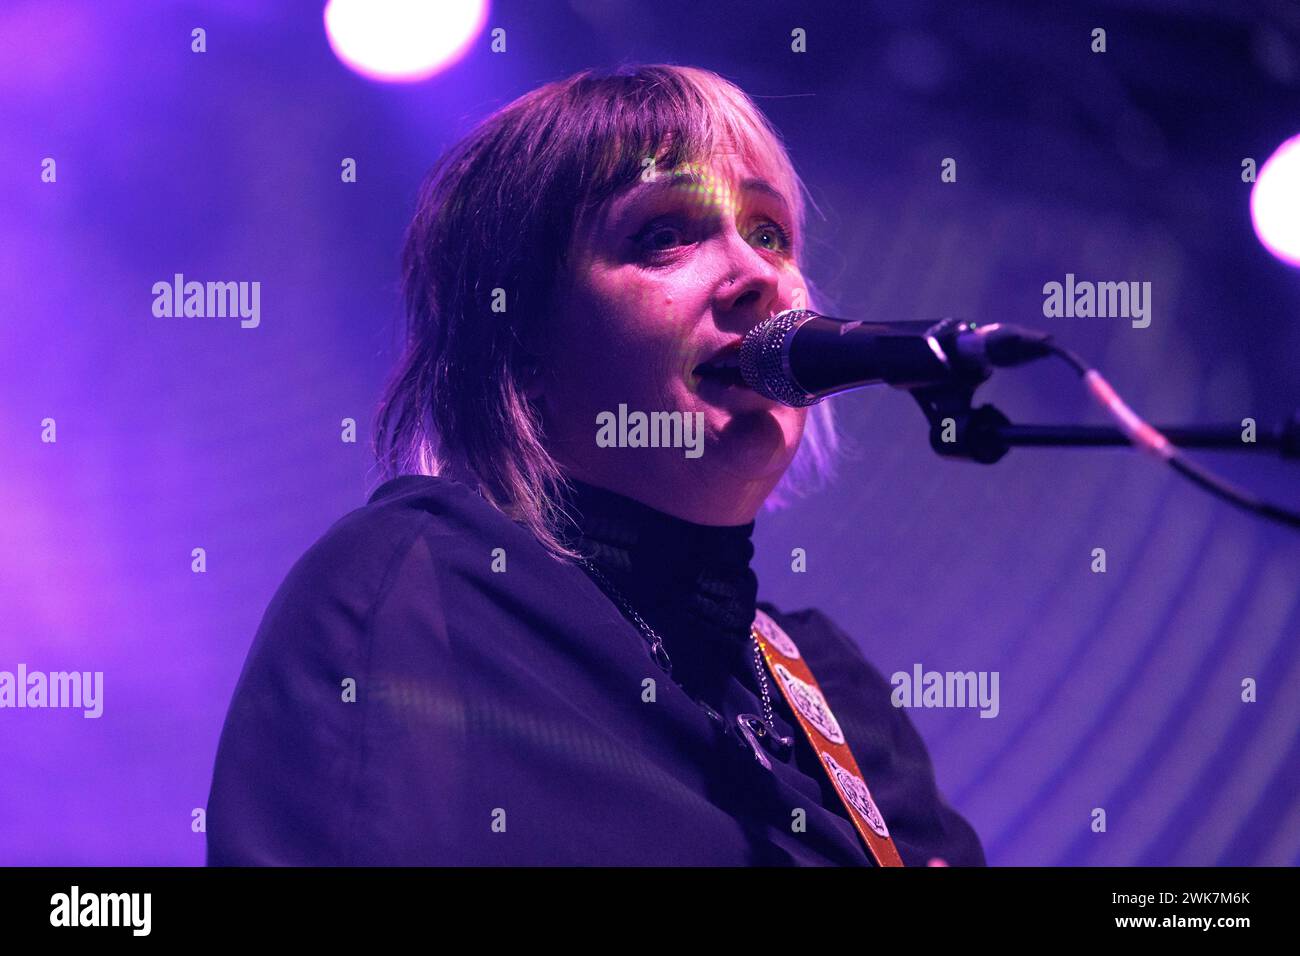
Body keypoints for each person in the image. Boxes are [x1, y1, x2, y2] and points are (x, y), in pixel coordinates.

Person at [205, 64, 986, 867]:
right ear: (521, 348)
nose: (759, 276)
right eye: (663, 235)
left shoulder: (830, 689)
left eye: (769, 232)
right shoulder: (424, 589)